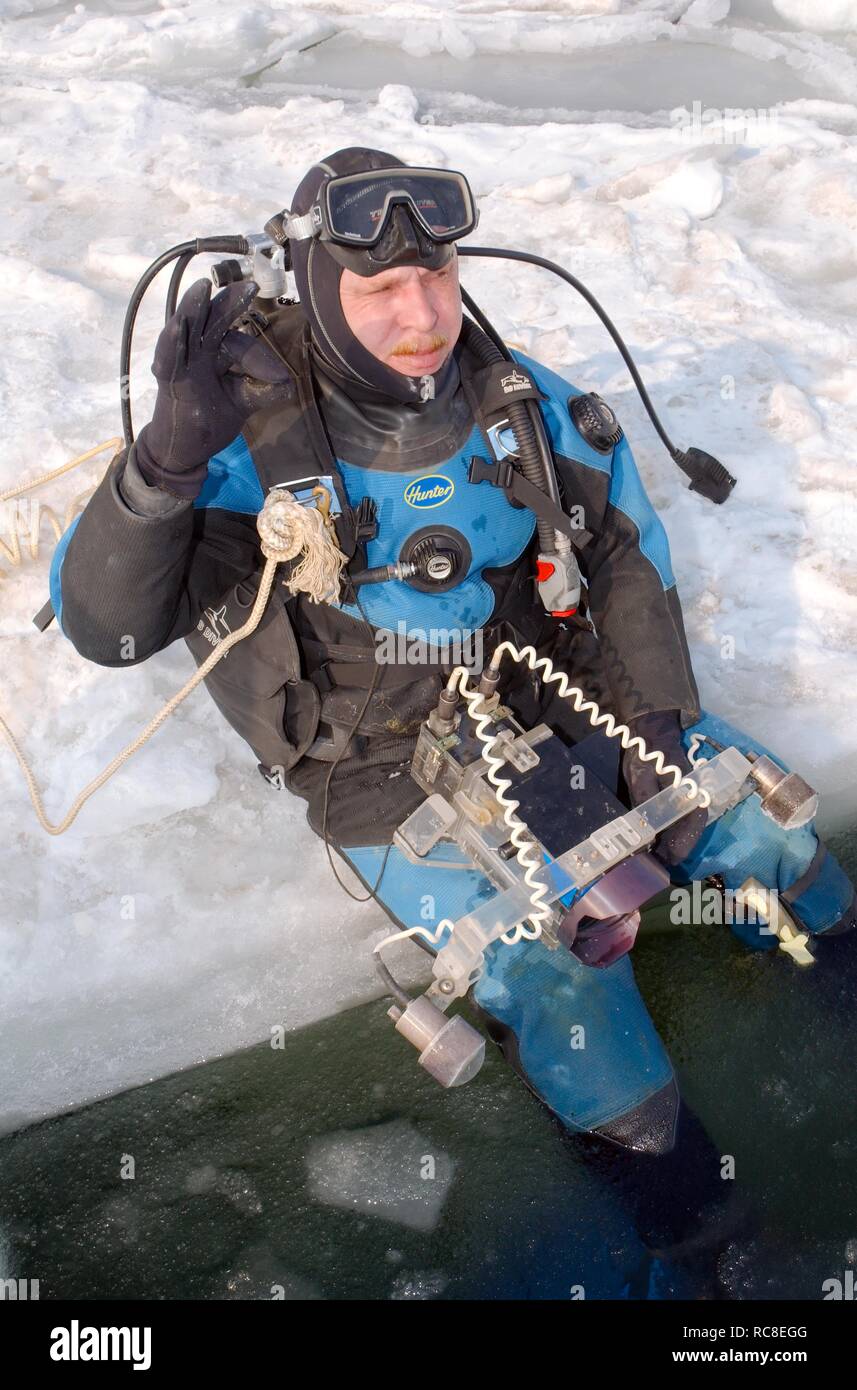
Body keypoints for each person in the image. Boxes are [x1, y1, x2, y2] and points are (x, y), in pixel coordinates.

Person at [50, 147, 856, 1289]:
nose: (423, 316)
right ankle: (713, 1249)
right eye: (381, 291)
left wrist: (658, 732)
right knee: (560, 971)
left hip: (550, 689)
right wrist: (164, 462)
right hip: (382, 766)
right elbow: (106, 628)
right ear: (321, 284)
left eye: (435, 276)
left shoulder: (508, 391)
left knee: (765, 835)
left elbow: (621, 552)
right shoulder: (239, 440)